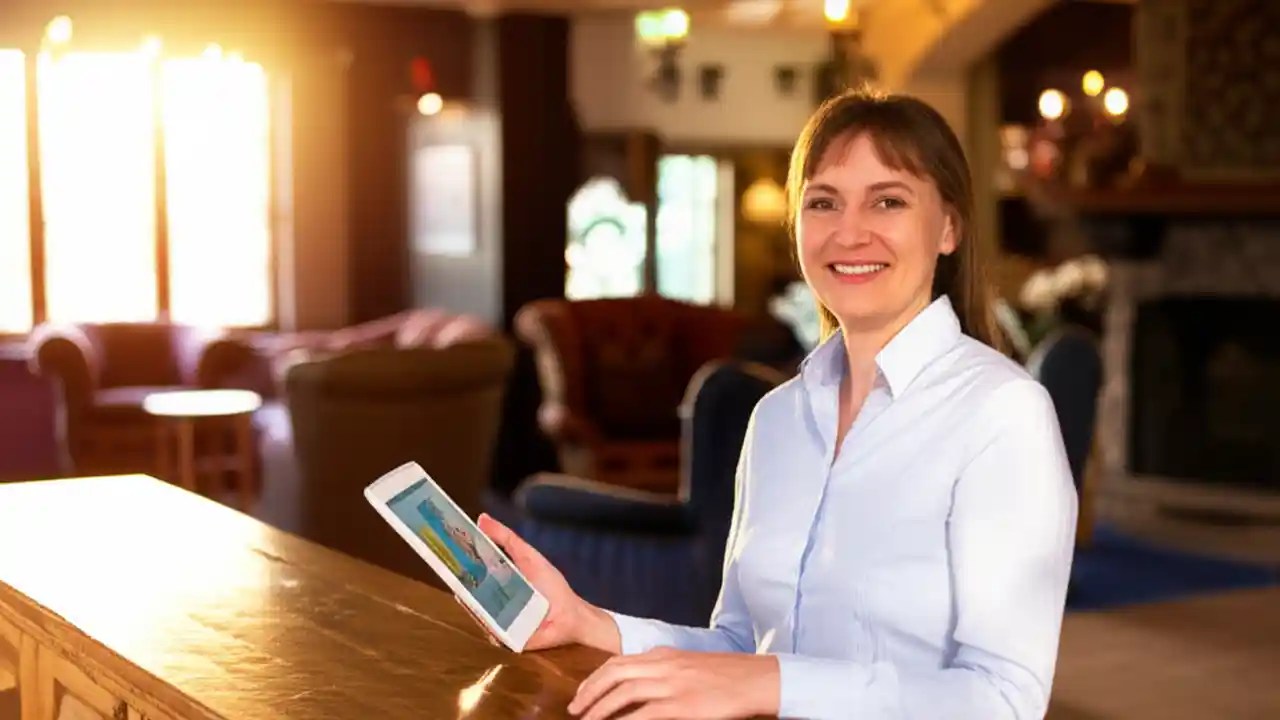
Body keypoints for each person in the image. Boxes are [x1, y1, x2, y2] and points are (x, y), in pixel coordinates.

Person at [479, 88, 1077, 720]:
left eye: (888, 201)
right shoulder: (778, 419)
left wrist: (769, 685)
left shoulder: (1003, 414)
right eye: (823, 203)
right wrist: (588, 621)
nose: (850, 232)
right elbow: (741, 649)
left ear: (949, 227)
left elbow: (1004, 699)